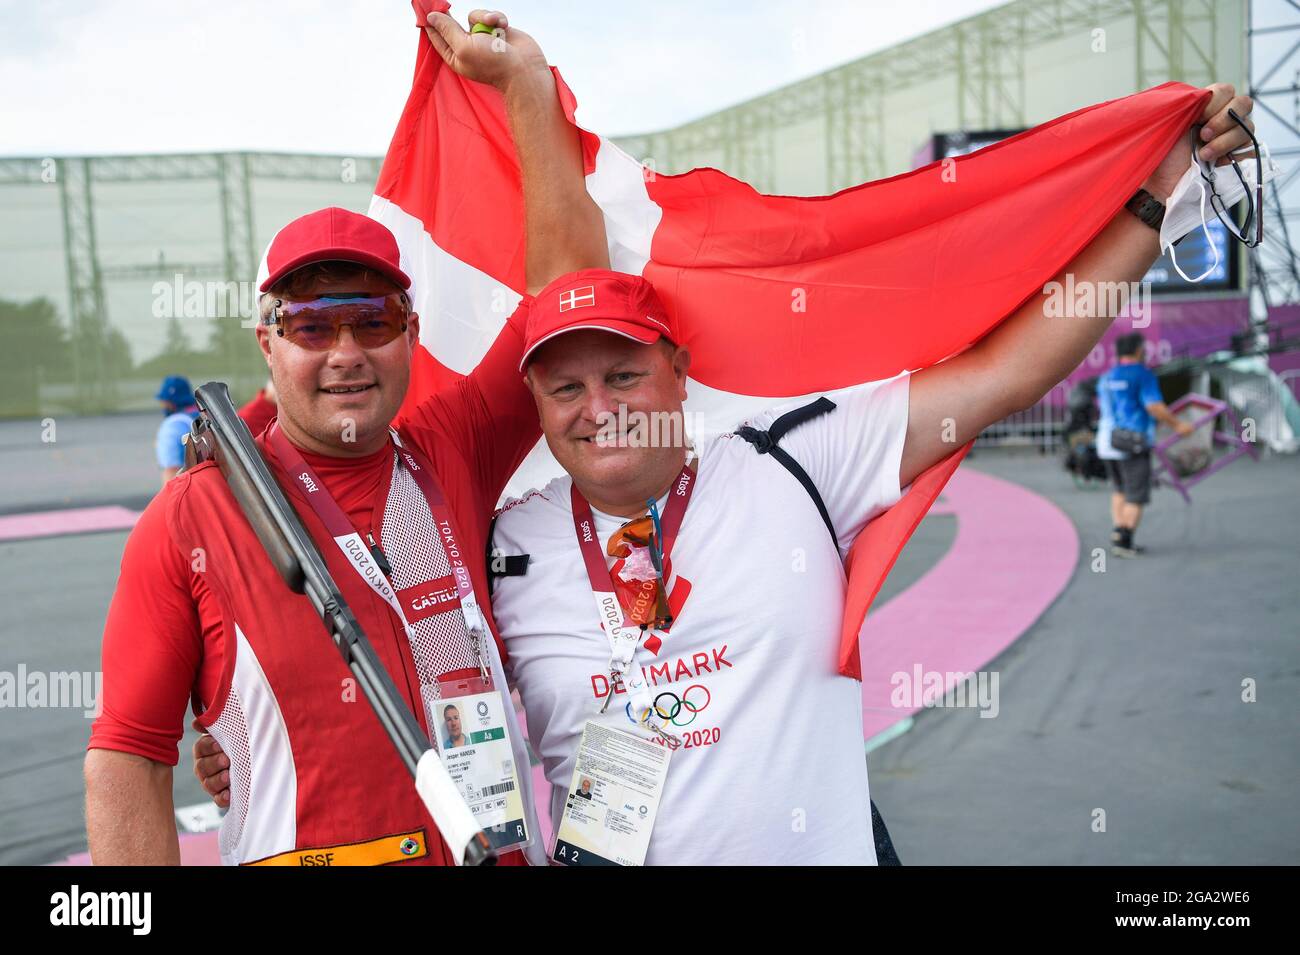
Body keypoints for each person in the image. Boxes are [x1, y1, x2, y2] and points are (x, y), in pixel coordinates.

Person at [195, 10, 1255, 864]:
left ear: (679, 372)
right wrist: (233, 728)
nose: (596, 404)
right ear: (534, 408)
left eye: (622, 372)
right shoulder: (499, 540)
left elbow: (1009, 370)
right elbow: (383, 649)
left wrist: (1152, 202)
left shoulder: (800, 458)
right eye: (562, 386)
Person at [85, 8, 604, 866]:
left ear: (409, 332)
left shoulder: (454, 444)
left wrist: (526, 84)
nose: (347, 353)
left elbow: (571, 294)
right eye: (314, 327)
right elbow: (128, 758)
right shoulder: (191, 518)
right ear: (268, 344)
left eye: (373, 320)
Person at [1097, 332, 1194, 557]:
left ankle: (1119, 531)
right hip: (1133, 442)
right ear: (1139, 350)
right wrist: (1178, 425)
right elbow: (1154, 406)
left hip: (1106, 441)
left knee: (1120, 488)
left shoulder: (1107, 377)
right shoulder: (1142, 375)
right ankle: (1125, 540)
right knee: (1136, 493)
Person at [154, 375, 199, 485]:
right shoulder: (205, 416)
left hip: (189, 491)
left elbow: (171, 471)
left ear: (170, 403)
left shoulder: (171, 427)